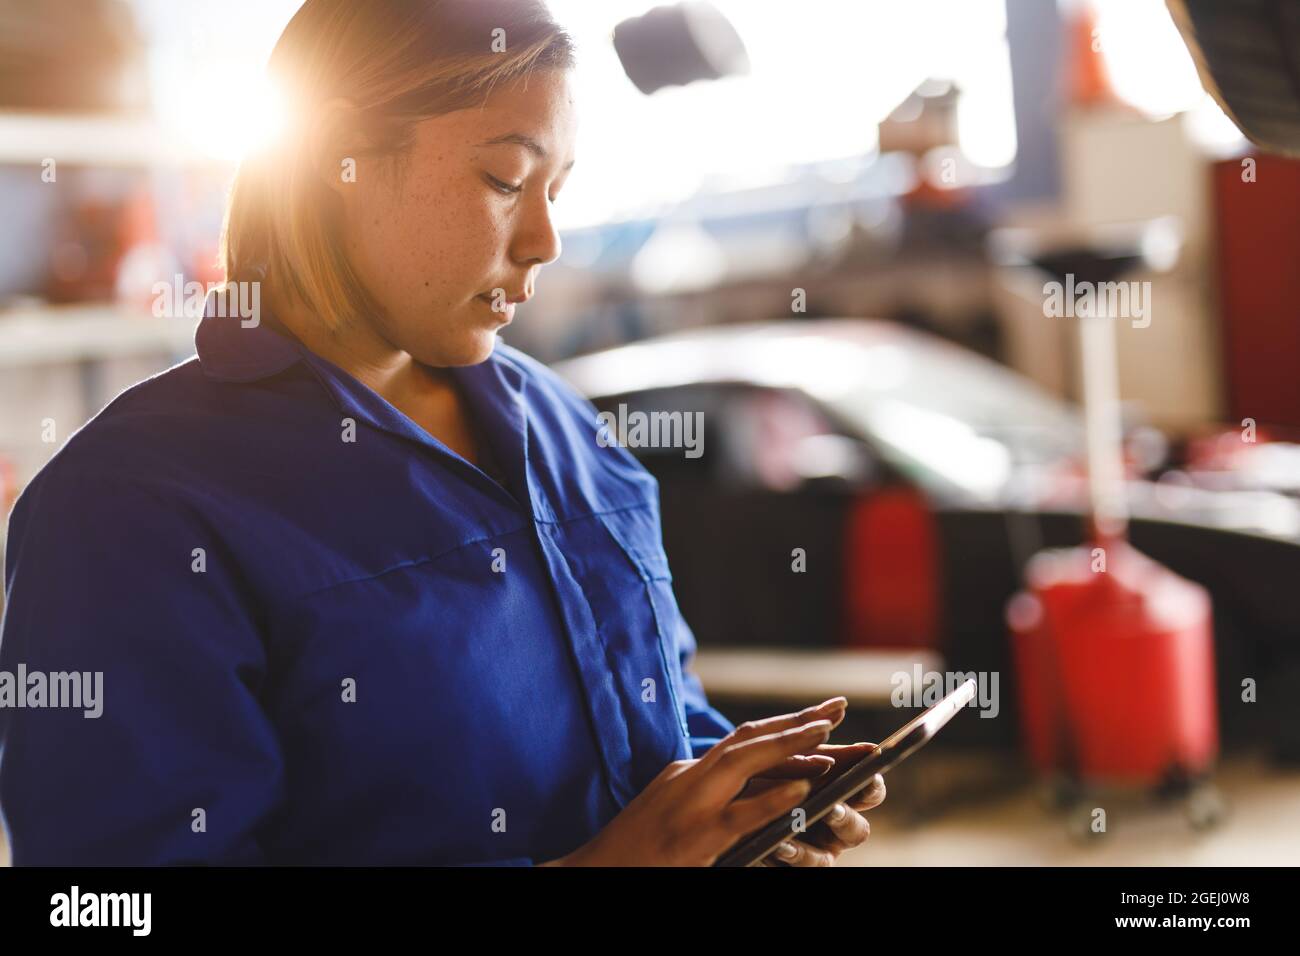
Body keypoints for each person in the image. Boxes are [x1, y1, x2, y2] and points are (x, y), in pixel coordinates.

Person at [0, 0, 883, 866]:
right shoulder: (129, 514)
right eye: (504, 179)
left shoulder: (567, 428)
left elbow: (656, 718)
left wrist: (739, 808)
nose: (544, 240)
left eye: (557, 191)